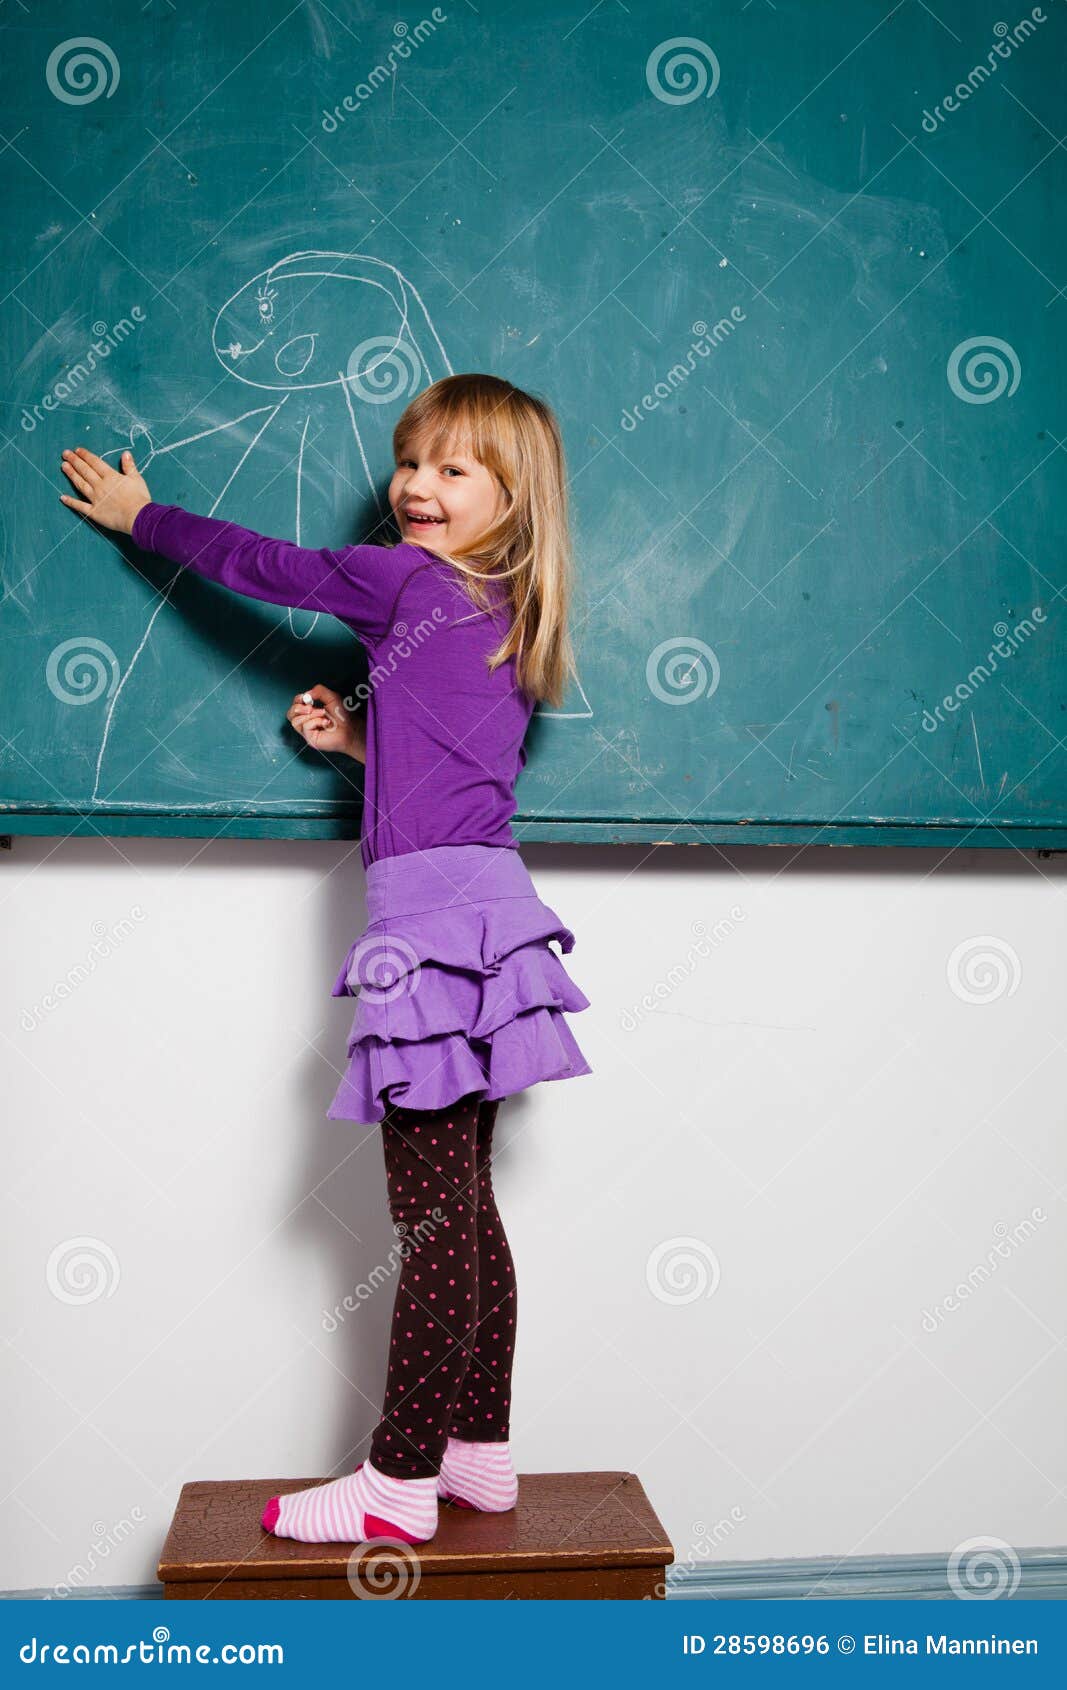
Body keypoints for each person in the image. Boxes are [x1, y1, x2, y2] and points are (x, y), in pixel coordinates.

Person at [58, 372, 593, 1547]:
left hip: (426, 929)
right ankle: (478, 1452)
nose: (413, 486)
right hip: (491, 913)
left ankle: (396, 1478)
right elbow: (453, 783)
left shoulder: (404, 580)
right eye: (412, 461)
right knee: (467, 1209)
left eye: (453, 469)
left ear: (514, 492)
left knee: (434, 1218)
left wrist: (142, 518)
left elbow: (268, 569)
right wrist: (361, 740)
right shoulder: (504, 605)